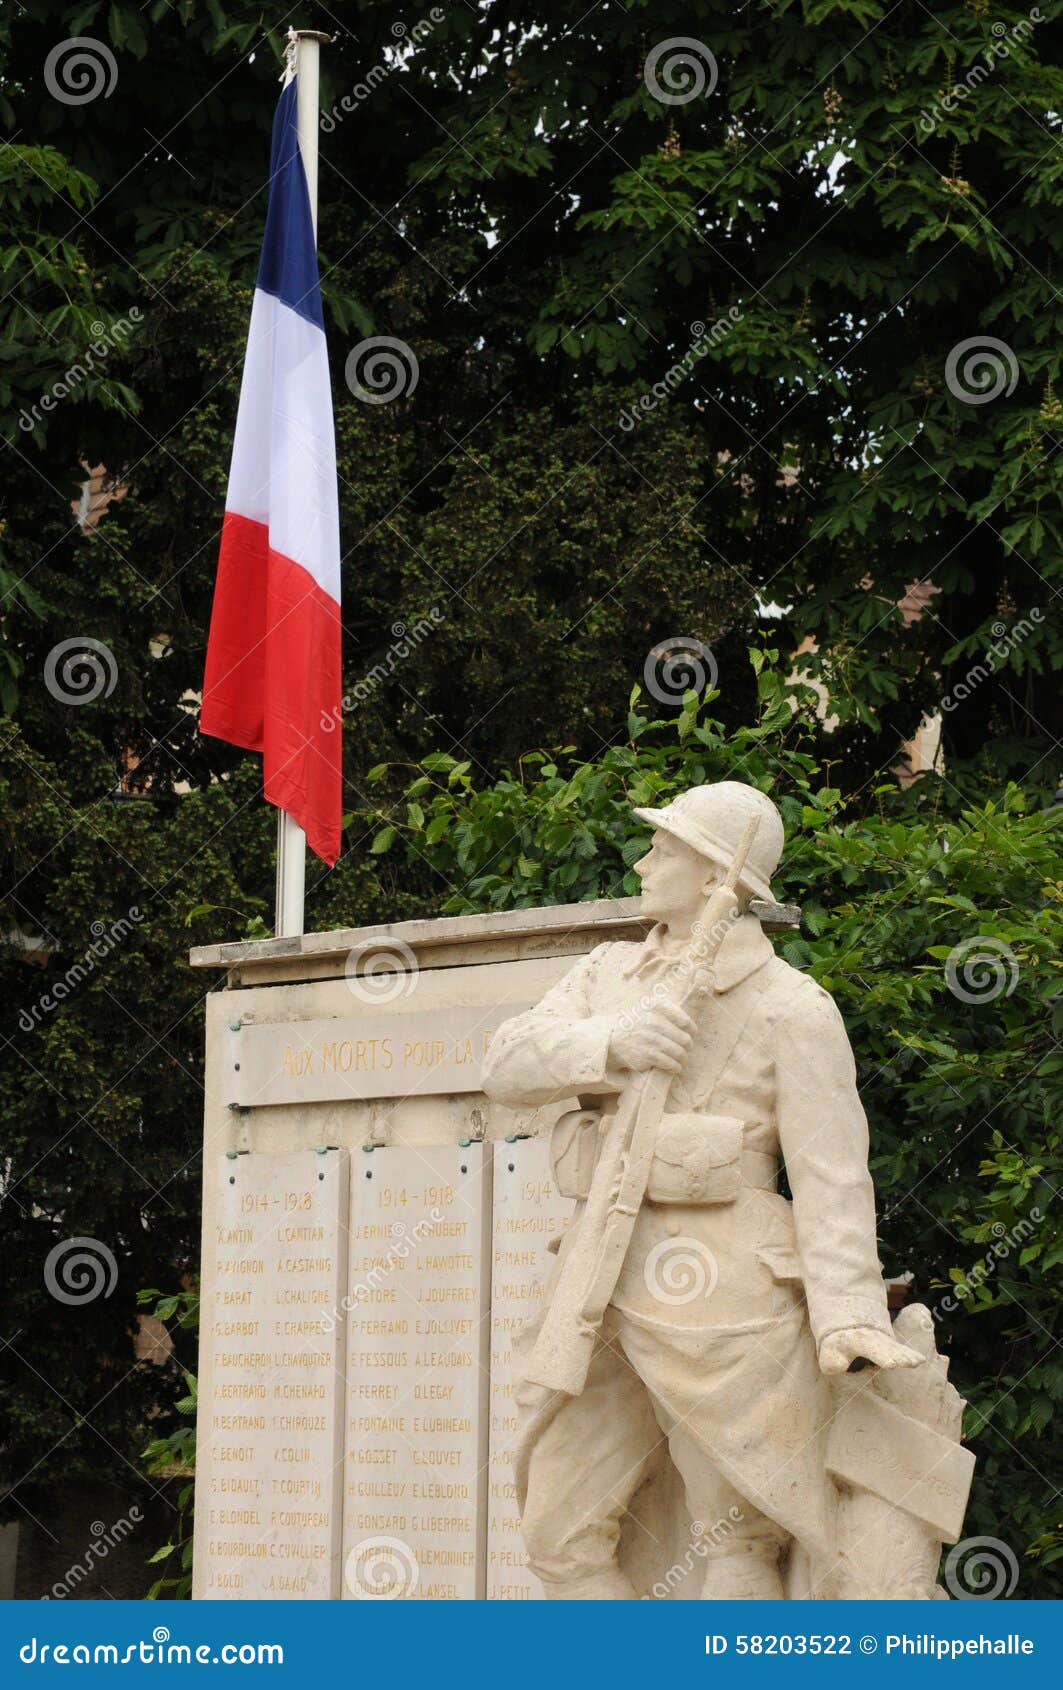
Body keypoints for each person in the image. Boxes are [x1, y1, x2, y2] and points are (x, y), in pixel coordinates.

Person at [481, 780, 921, 1599]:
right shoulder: (608, 974)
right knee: (557, 1531)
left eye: (665, 849)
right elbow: (505, 1065)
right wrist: (613, 1040)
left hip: (725, 1306)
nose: (644, 862)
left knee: (735, 1537)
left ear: (718, 878)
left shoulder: (791, 1007)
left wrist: (847, 1316)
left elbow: (831, 1177)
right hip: (598, 1287)